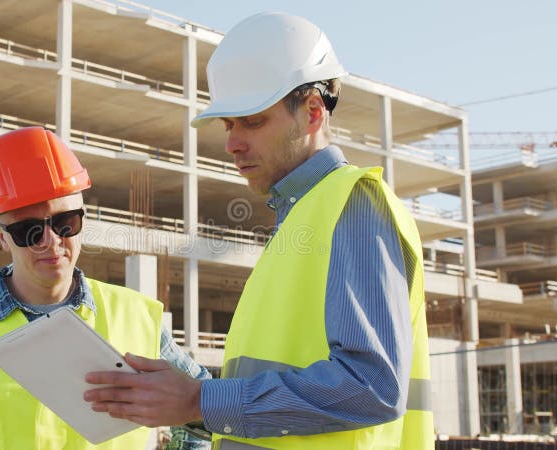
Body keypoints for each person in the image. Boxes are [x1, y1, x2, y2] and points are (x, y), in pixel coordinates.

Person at [84, 12, 433, 450]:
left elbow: (371, 387)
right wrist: (189, 400)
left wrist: (199, 400)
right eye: (229, 125)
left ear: (312, 112)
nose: (232, 144)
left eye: (252, 121)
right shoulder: (303, 216)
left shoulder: (353, 204)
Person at [0, 126, 211, 450]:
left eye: (65, 223)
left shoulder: (137, 318)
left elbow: (208, 412)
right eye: (28, 230)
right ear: (1, 237)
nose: (51, 241)